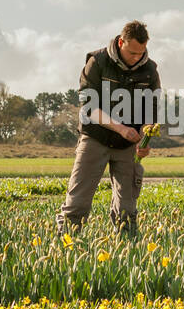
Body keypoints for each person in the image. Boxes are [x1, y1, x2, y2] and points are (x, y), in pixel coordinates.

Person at [56, 20, 161, 238]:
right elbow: (89, 107)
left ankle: (128, 250)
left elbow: (150, 112)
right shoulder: (97, 62)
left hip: (127, 144)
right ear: (121, 42)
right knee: (78, 201)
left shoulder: (150, 70)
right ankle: (65, 245)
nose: (136, 58)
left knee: (127, 206)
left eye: (141, 53)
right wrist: (121, 128)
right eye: (132, 52)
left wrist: (144, 140)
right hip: (95, 137)